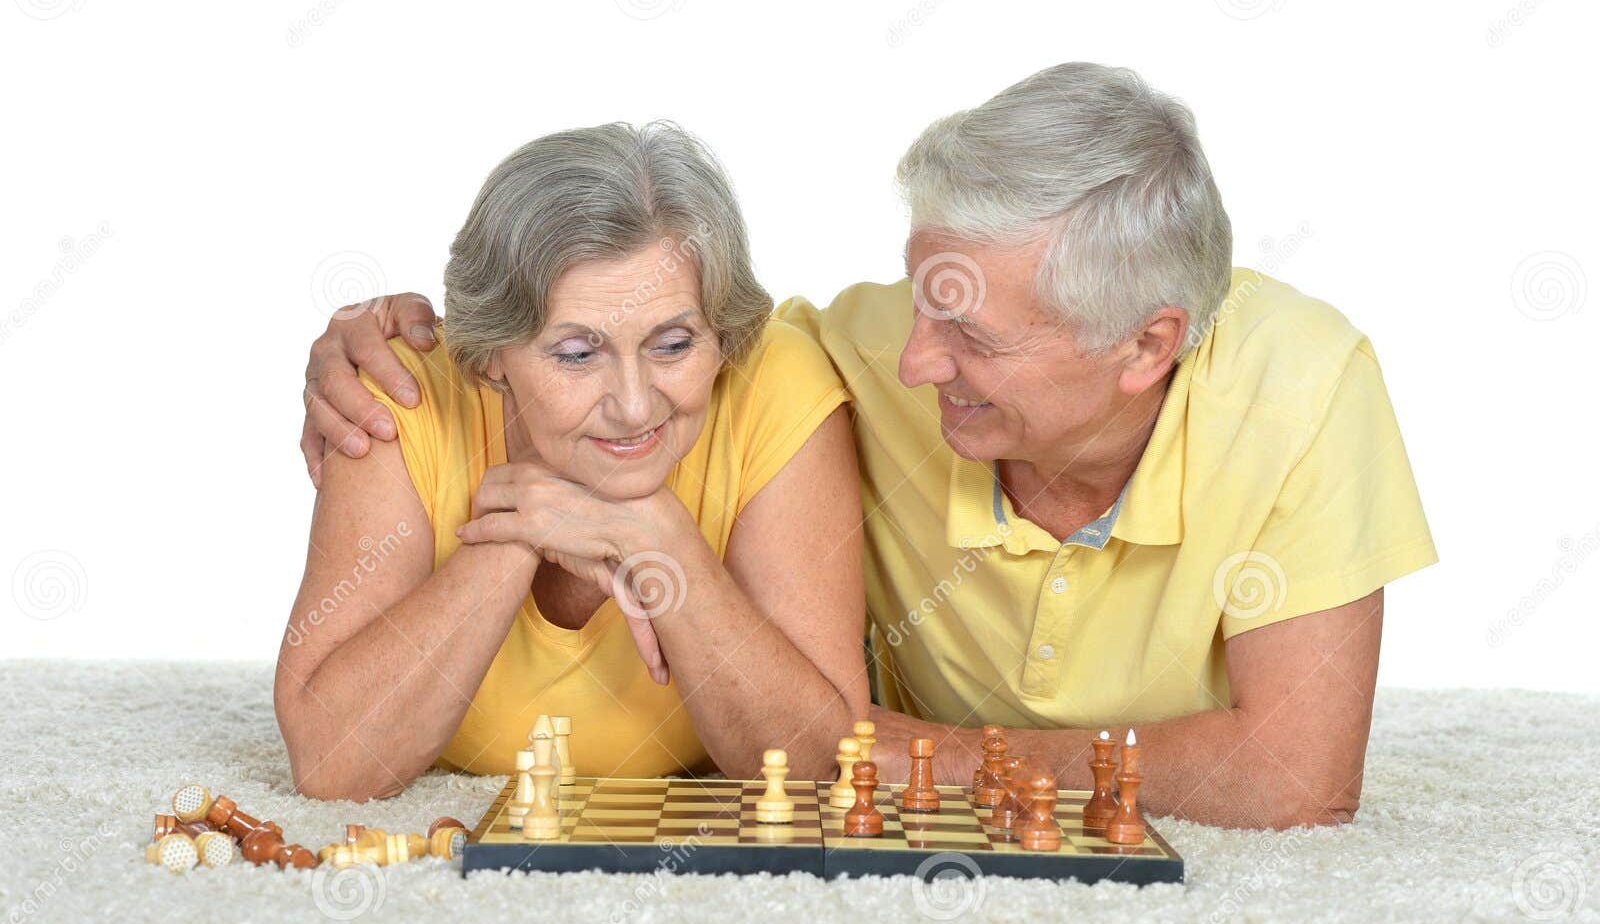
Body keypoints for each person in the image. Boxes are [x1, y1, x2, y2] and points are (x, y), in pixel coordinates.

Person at [298, 64, 1436, 828]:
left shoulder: (1306, 390)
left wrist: (919, 758)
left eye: (971, 336)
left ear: (1146, 347)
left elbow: (1298, 777)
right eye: (921, 300)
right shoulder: (848, 353)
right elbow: (333, 763)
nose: (911, 363)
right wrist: (501, 485)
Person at [277, 122, 867, 801]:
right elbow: (332, 764)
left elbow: (823, 765)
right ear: (491, 351)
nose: (635, 404)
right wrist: (525, 528)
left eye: (673, 344)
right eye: (578, 355)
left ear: (721, 330)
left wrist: (656, 535)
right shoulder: (395, 397)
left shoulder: (778, 386)